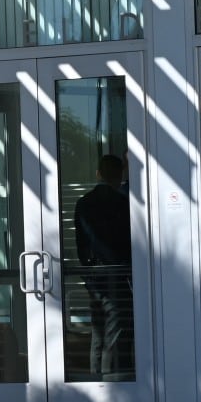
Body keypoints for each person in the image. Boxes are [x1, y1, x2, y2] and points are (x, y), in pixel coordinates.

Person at [72, 154, 135, 380]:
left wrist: (88, 271)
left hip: (94, 278)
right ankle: (111, 383)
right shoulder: (123, 203)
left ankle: (95, 379)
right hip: (117, 276)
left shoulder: (83, 203)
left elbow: (81, 244)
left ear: (98, 173)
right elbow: (129, 242)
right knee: (115, 334)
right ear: (120, 176)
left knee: (98, 332)